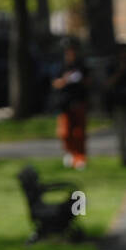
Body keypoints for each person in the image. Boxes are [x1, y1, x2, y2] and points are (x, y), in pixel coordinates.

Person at [51, 42, 90, 170]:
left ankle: (80, 158)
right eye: (68, 52)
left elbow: (89, 82)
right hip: (64, 103)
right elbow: (55, 83)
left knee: (79, 132)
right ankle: (69, 153)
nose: (71, 54)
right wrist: (66, 79)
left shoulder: (81, 66)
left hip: (79, 102)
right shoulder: (61, 66)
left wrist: (80, 79)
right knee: (65, 132)